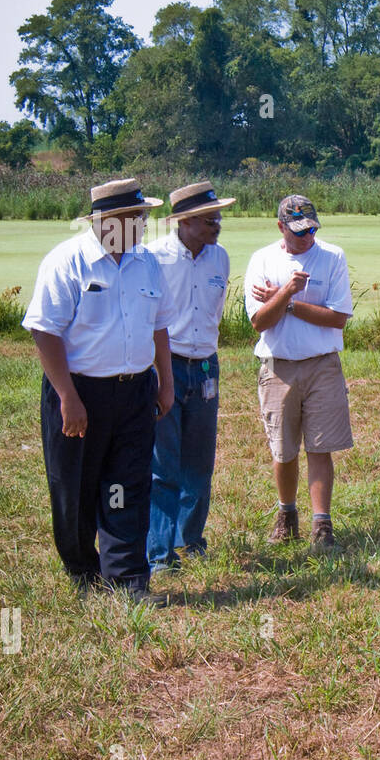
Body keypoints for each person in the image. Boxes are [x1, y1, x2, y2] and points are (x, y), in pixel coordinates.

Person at [22, 178, 176, 605]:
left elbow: (160, 326)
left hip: (134, 392)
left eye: (144, 216)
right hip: (79, 392)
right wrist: (68, 397)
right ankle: (83, 572)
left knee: (128, 483)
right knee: (76, 485)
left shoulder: (147, 263)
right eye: (137, 217)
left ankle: (127, 580)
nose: (145, 224)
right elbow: (45, 331)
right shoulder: (67, 262)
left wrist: (166, 381)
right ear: (111, 221)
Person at [244, 195, 354, 550]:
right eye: (297, 231)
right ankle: (287, 515)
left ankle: (322, 526)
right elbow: (260, 321)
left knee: (321, 447)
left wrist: (286, 302)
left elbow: (338, 318)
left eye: (310, 229)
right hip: (278, 366)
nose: (306, 236)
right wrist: (289, 290)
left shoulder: (332, 256)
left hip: (323, 364)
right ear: (280, 227)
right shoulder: (262, 260)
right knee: (283, 449)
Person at [143, 180, 235, 573]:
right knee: (164, 464)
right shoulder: (153, 258)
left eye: (218, 217)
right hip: (166, 366)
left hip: (206, 367)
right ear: (184, 222)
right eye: (209, 219)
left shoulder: (221, 258)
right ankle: (159, 554)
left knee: (200, 461)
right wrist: (161, 376)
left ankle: (190, 539)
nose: (217, 224)